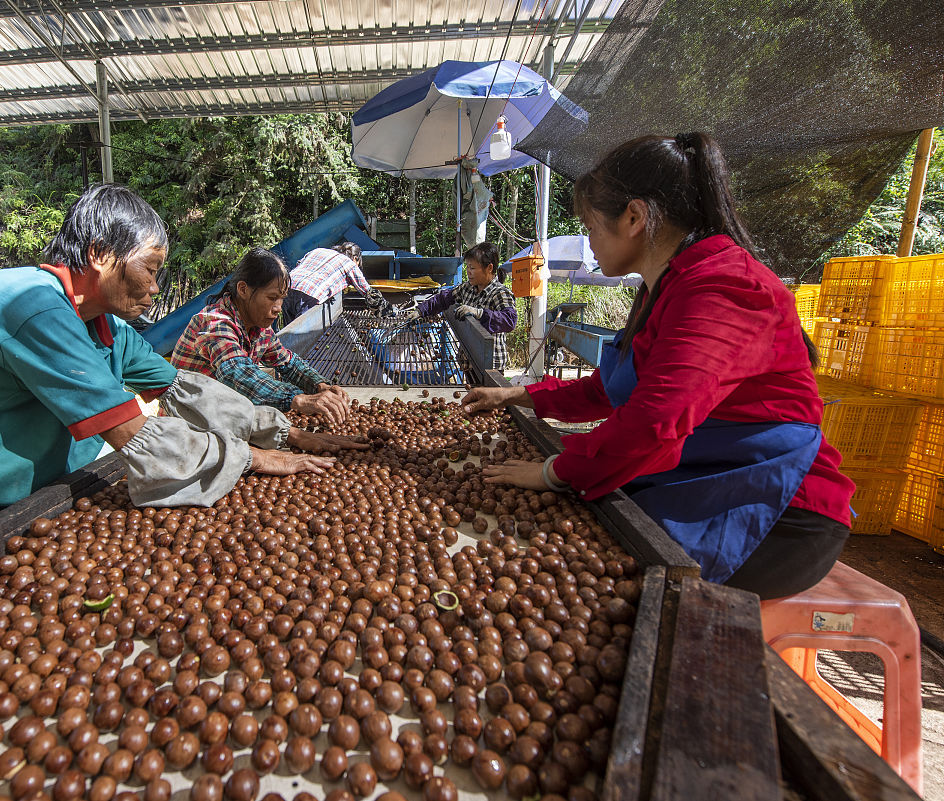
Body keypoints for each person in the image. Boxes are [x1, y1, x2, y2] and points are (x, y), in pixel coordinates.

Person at [0, 185, 356, 592]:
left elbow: (187, 391)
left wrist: (282, 433)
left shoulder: (105, 326)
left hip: (7, 518)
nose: (155, 288)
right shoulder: (30, 304)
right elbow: (139, 439)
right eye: (150, 270)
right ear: (101, 255)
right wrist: (250, 457)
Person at [463, 133, 854, 600]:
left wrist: (554, 471)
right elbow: (611, 390)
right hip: (697, 477)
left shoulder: (723, 286)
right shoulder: (664, 286)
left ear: (634, 217)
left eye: (590, 225)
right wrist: (516, 394)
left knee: (573, 581)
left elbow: (654, 418)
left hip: (770, 507)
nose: (588, 240)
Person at [173, 248, 352, 425]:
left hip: (218, 415)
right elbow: (237, 373)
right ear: (243, 289)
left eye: (282, 298)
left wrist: (320, 385)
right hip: (188, 424)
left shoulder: (258, 328)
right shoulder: (216, 324)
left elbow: (288, 363)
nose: (278, 308)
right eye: (272, 297)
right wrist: (298, 399)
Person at [409, 242, 517, 371]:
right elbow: (443, 299)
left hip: (489, 365)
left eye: (472, 268)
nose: (468, 272)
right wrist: (421, 310)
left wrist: (480, 313)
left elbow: (509, 320)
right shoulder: (467, 288)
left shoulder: (500, 293)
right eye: (467, 267)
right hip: (468, 360)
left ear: (489, 268)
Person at [284, 242, 392, 321]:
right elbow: (369, 292)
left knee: (288, 332)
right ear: (355, 258)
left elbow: (299, 265)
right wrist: (387, 312)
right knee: (301, 336)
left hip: (286, 287)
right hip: (310, 294)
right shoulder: (349, 264)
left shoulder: (319, 250)